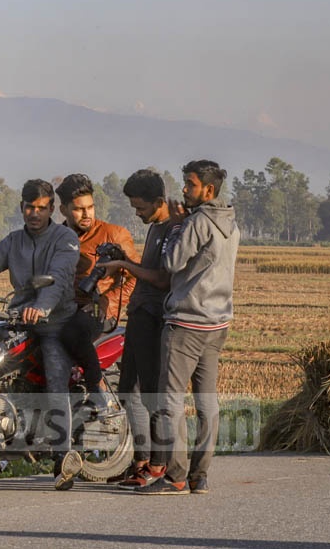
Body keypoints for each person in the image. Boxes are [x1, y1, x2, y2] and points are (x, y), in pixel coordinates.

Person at [0, 179, 83, 491]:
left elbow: (60, 278)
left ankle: (63, 458)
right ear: (21, 207)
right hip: (17, 317)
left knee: (55, 376)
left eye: (41, 207)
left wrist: (43, 308)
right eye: (29, 207)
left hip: (55, 322)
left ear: (51, 208)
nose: (34, 213)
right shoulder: (14, 241)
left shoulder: (65, 238)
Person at [135, 159, 240, 495]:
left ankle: (175, 475)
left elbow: (171, 262)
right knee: (207, 400)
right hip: (217, 322)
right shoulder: (231, 223)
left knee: (171, 400)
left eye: (190, 184)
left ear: (207, 190)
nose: (183, 190)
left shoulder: (196, 223)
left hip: (186, 322)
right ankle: (200, 474)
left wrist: (178, 226)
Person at [95, 169, 172, 487]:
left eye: (141, 207)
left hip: (155, 318)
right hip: (139, 315)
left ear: (159, 201)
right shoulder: (156, 227)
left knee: (152, 393)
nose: (137, 213)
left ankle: (158, 462)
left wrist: (125, 265)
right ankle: (141, 459)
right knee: (129, 391)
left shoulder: (171, 231)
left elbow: (161, 278)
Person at [55, 174, 137, 413]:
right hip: (61, 309)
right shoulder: (54, 237)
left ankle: (95, 386)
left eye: (90, 207)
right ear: (63, 209)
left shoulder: (114, 234)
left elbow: (135, 276)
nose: (87, 214)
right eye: (79, 209)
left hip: (97, 312)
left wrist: (106, 300)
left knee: (73, 330)